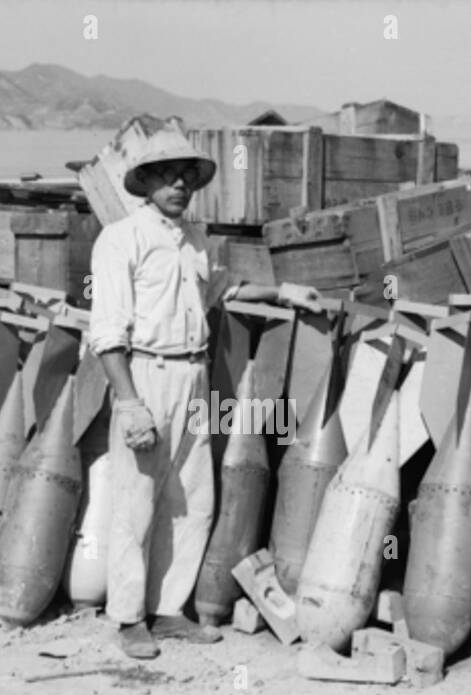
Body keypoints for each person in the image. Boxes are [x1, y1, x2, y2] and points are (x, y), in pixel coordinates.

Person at [88, 127, 320, 659]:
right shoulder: (120, 240)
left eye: (187, 175)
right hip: (145, 375)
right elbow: (106, 333)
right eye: (166, 175)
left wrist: (284, 291)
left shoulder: (192, 240)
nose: (179, 183)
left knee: (192, 501)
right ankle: (127, 619)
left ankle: (169, 610)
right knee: (136, 504)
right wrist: (128, 402)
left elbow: (224, 289)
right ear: (144, 182)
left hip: (194, 376)